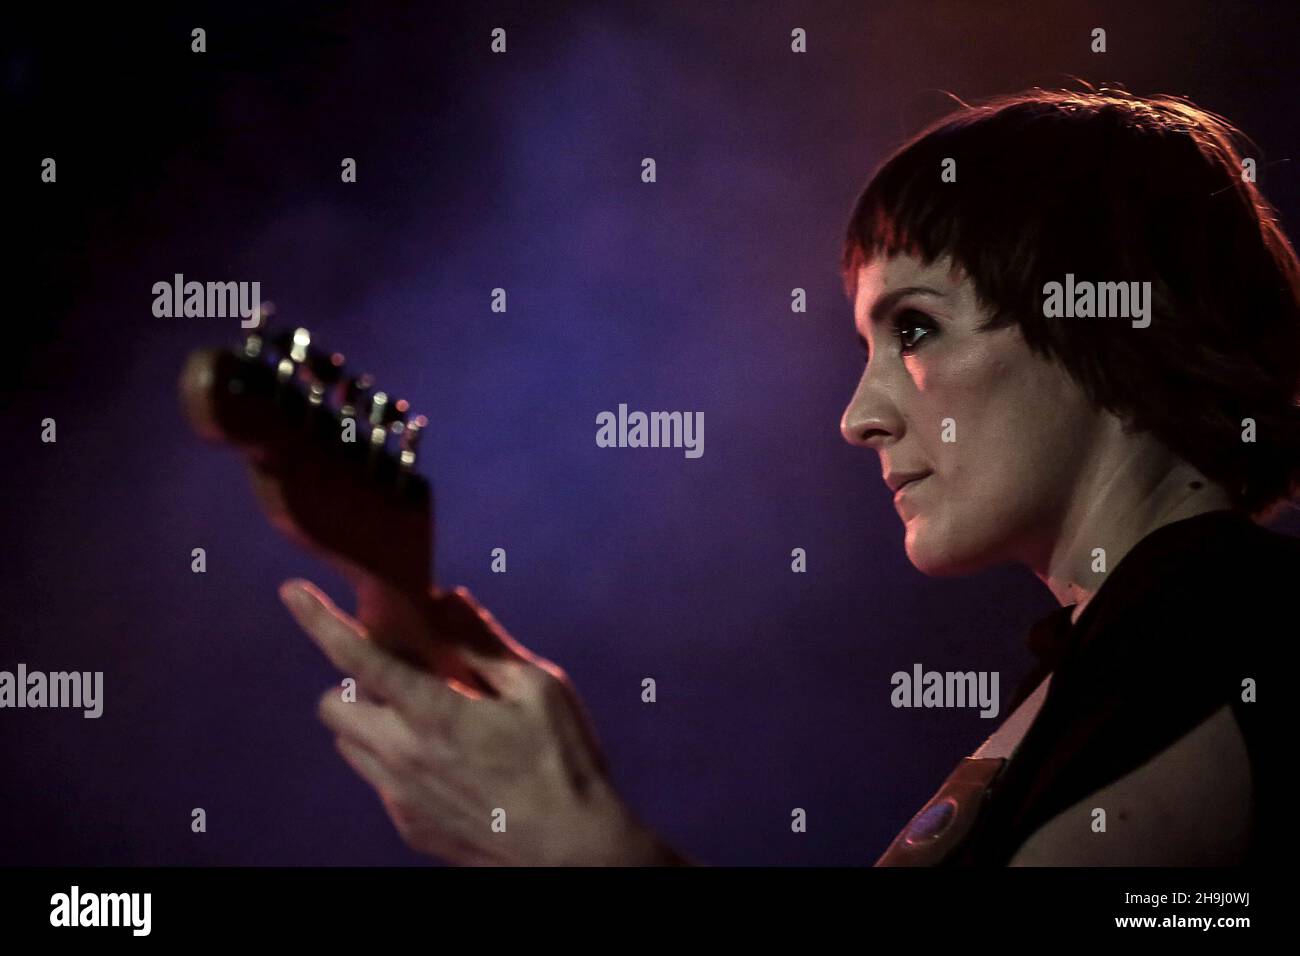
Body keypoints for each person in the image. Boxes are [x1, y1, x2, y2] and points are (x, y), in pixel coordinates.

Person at [280, 87, 1300, 866]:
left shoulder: (1222, 622)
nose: (857, 416)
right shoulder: (1118, 657)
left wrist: (583, 844)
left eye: (914, 326)